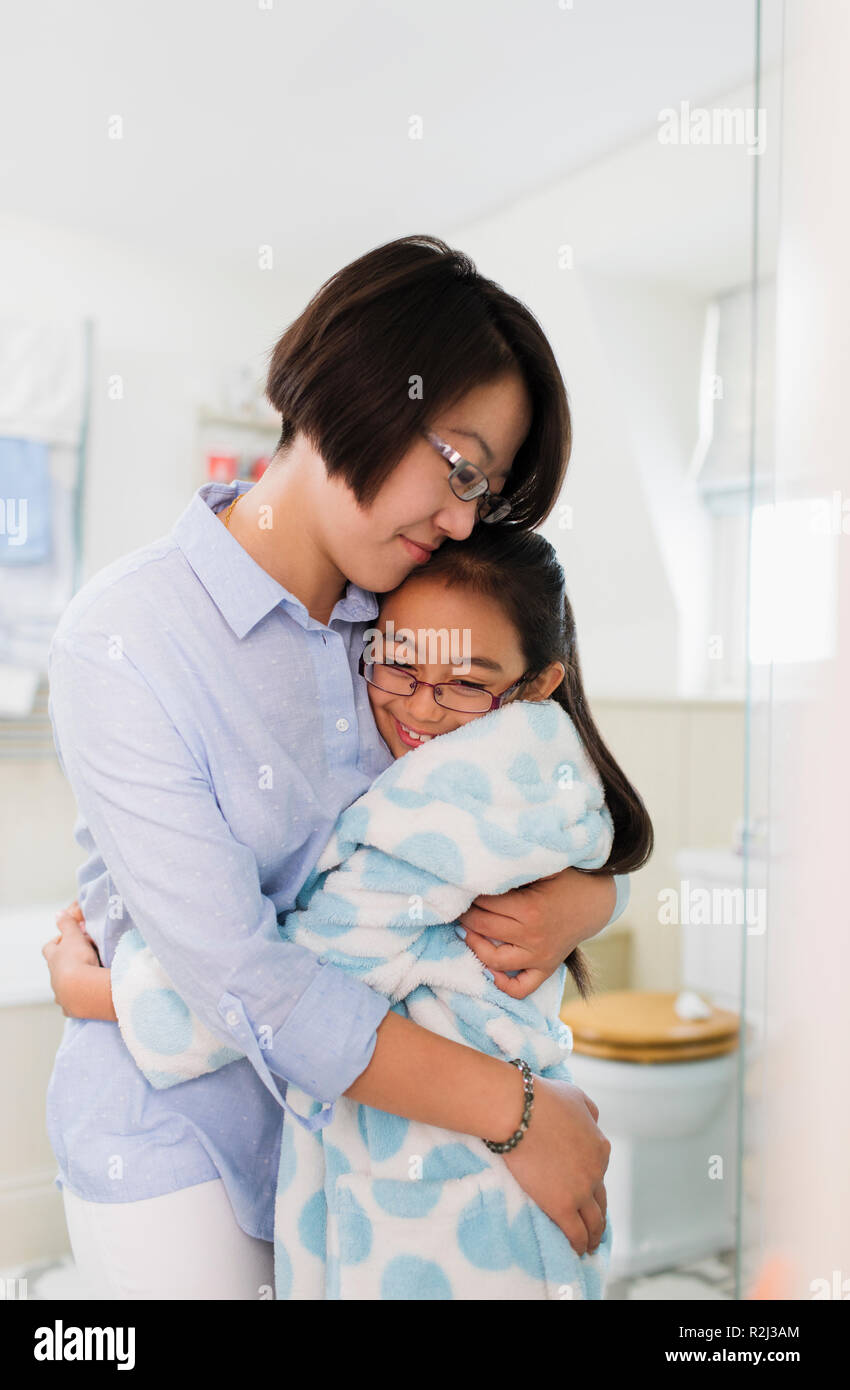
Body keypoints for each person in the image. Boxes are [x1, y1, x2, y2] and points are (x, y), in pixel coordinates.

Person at [42, 234, 632, 1299]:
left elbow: (549, 801)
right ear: (355, 388)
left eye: (482, 495)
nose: (460, 519)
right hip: (186, 1142)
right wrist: (517, 1112)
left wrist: (582, 899)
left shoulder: (416, 624)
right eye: (458, 468)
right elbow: (248, 981)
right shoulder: (125, 635)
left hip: (382, 1144)